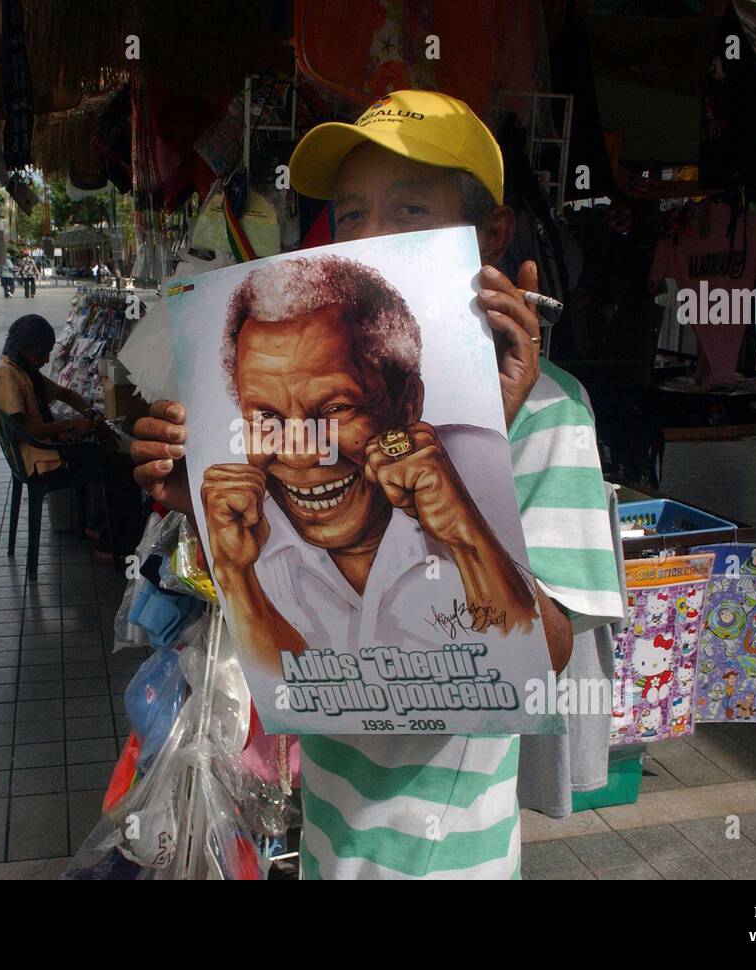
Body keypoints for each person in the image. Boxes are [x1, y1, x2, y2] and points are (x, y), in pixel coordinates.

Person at [130, 90, 623, 879]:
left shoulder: (551, 412)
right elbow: (293, 651)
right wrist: (189, 496)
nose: (369, 238)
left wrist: (470, 480)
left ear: (488, 234)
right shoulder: (299, 424)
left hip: (455, 858)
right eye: (351, 216)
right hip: (329, 836)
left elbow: (546, 656)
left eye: (408, 209)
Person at [204, 254, 538, 675]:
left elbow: (525, 668)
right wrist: (237, 578)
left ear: (408, 404)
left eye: (337, 407)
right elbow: (286, 690)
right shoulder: (243, 527)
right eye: (268, 419)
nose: (300, 453)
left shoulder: (479, 464)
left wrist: (470, 540)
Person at [0, 314, 140, 558]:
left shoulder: (21, 370)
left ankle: (98, 527)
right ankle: (111, 541)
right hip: (39, 461)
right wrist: (71, 424)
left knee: (106, 457)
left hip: (45, 449)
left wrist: (89, 414)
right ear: (25, 349)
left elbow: (66, 395)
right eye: (41, 354)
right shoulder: (7, 376)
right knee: (120, 468)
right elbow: (25, 432)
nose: (46, 360)